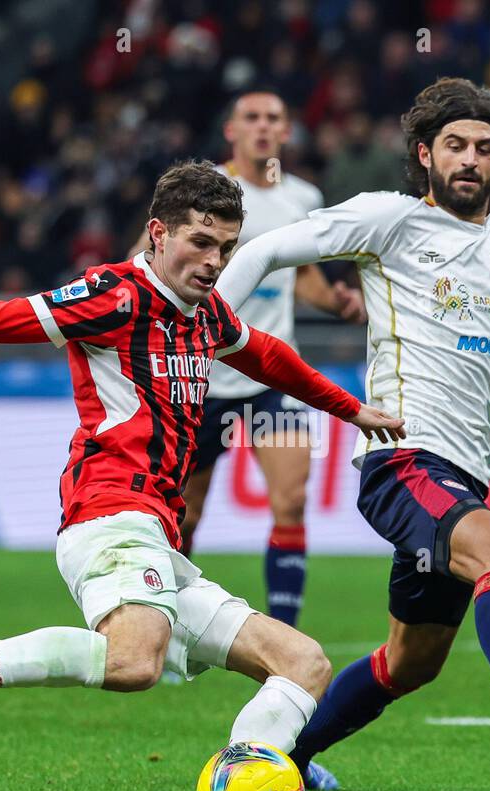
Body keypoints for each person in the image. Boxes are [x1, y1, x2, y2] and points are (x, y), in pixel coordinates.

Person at [0, 161, 404, 791]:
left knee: (301, 663)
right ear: (158, 235)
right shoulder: (114, 295)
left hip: (154, 531)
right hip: (109, 511)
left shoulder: (206, 314)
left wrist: (352, 410)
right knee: (134, 663)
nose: (215, 260)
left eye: (226, 247)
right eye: (200, 242)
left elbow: (270, 358)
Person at [216, 79, 490, 783]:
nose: (469, 159)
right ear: (425, 154)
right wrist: (209, 328)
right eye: (454, 145)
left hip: (461, 475)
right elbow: (265, 249)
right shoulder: (388, 221)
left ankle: (287, 759)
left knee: (411, 662)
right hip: (401, 459)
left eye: (484, 149)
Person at [131, 90, 365, 640]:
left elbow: (299, 275)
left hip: (268, 375)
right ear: (231, 131)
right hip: (199, 379)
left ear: (287, 133)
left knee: (290, 499)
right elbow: (147, 256)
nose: (263, 128)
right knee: (185, 512)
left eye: (274, 120)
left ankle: (282, 638)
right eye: (252, 118)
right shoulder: (201, 190)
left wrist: (337, 301)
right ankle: (170, 630)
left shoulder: (303, 196)